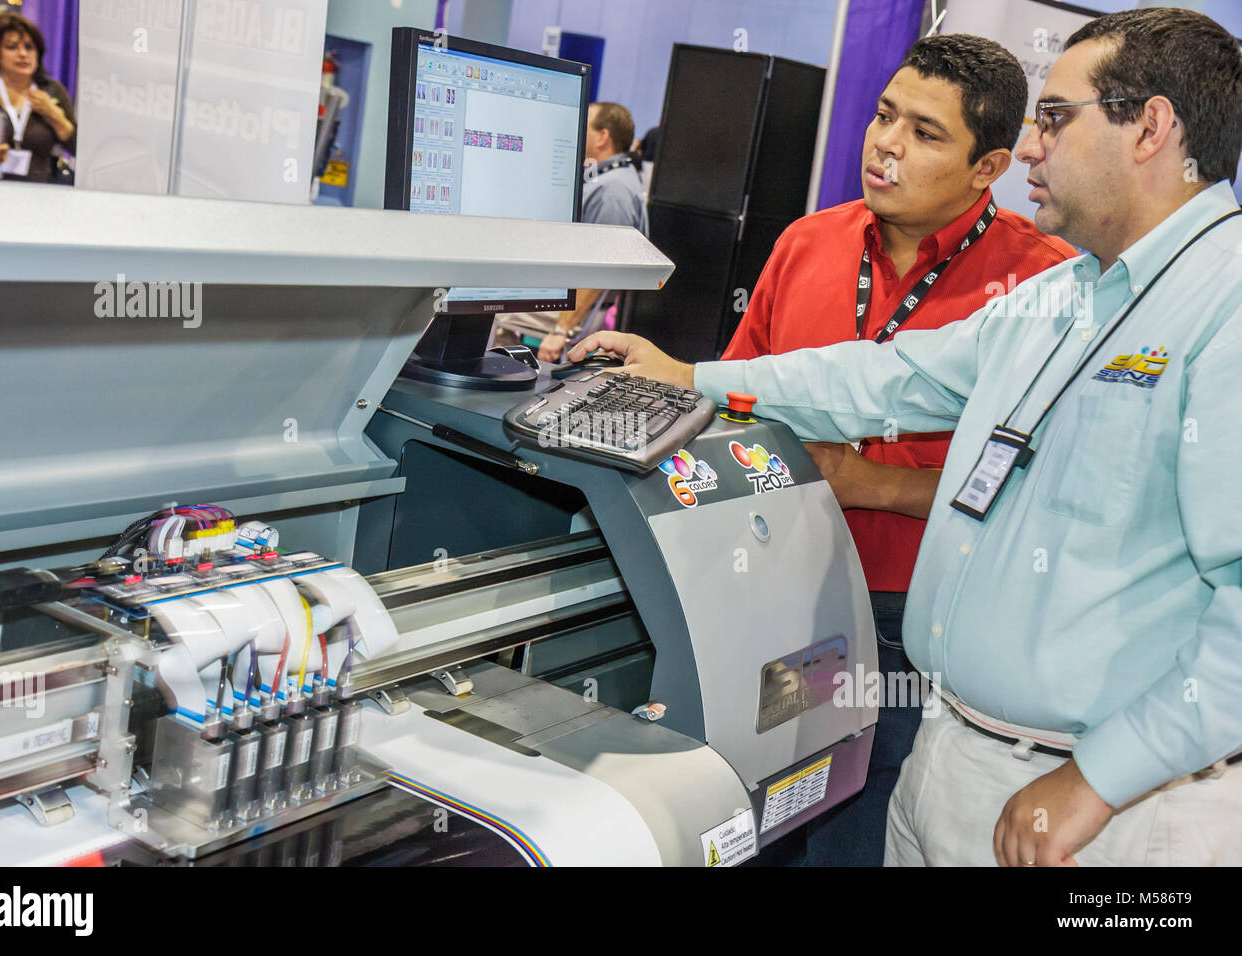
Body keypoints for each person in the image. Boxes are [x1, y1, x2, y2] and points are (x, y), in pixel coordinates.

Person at [572, 6, 1242, 866]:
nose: (1032, 150)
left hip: (1100, 802)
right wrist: (688, 378)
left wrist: (1102, 778)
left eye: (1054, 118)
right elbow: (881, 378)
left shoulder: (1222, 304)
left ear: (1150, 128)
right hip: (954, 752)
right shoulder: (1071, 294)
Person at [722, 33, 1074, 867]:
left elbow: (1038, 486)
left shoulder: (1045, 284)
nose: (886, 144)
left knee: (862, 831)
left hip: (910, 622)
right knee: (761, 808)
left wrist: (870, 483)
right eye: (885, 115)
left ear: (989, 168)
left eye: (924, 132)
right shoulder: (807, 242)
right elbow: (739, 391)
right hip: (777, 594)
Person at [494, 102, 649, 363]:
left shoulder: (613, 190)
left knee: (493, 305)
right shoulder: (612, 178)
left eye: (584, 126)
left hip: (576, 310)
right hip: (570, 299)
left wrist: (560, 330)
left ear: (603, 137)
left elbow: (603, 267)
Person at [0, 12, 76, 184]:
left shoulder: (52, 91)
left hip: (40, 190)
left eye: (29, 47)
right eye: (11, 47)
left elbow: (77, 149)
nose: (22, 54)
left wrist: (55, 115)